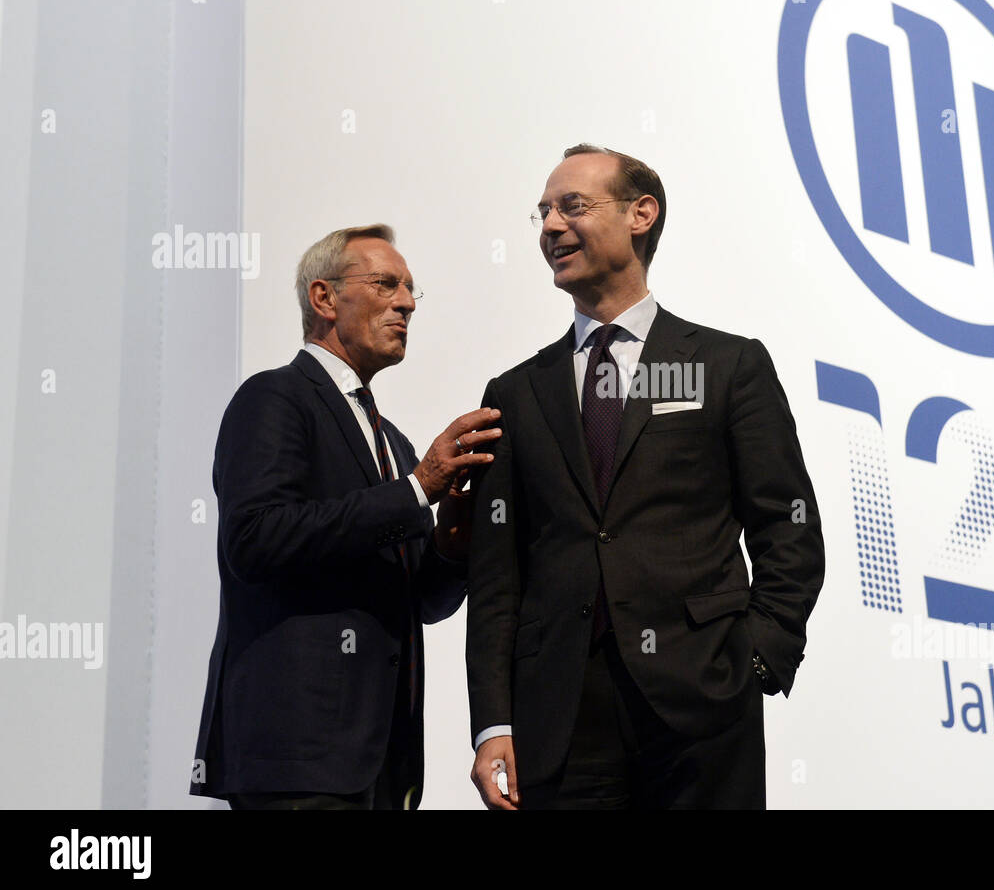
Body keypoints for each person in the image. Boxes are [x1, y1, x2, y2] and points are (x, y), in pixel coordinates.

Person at [466, 146, 824, 809]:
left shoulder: (727, 364)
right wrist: (493, 723)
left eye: (571, 205)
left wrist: (756, 659)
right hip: (560, 718)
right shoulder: (516, 393)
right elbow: (497, 578)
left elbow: (789, 526)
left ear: (641, 214)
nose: (549, 225)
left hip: (704, 707)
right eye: (542, 211)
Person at [191, 224, 499, 810]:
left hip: (383, 763)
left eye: (410, 290)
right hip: (297, 758)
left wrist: (453, 535)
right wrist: (417, 488)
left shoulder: (395, 444)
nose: (406, 302)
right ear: (324, 298)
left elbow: (422, 602)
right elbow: (255, 540)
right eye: (386, 284)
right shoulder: (273, 398)